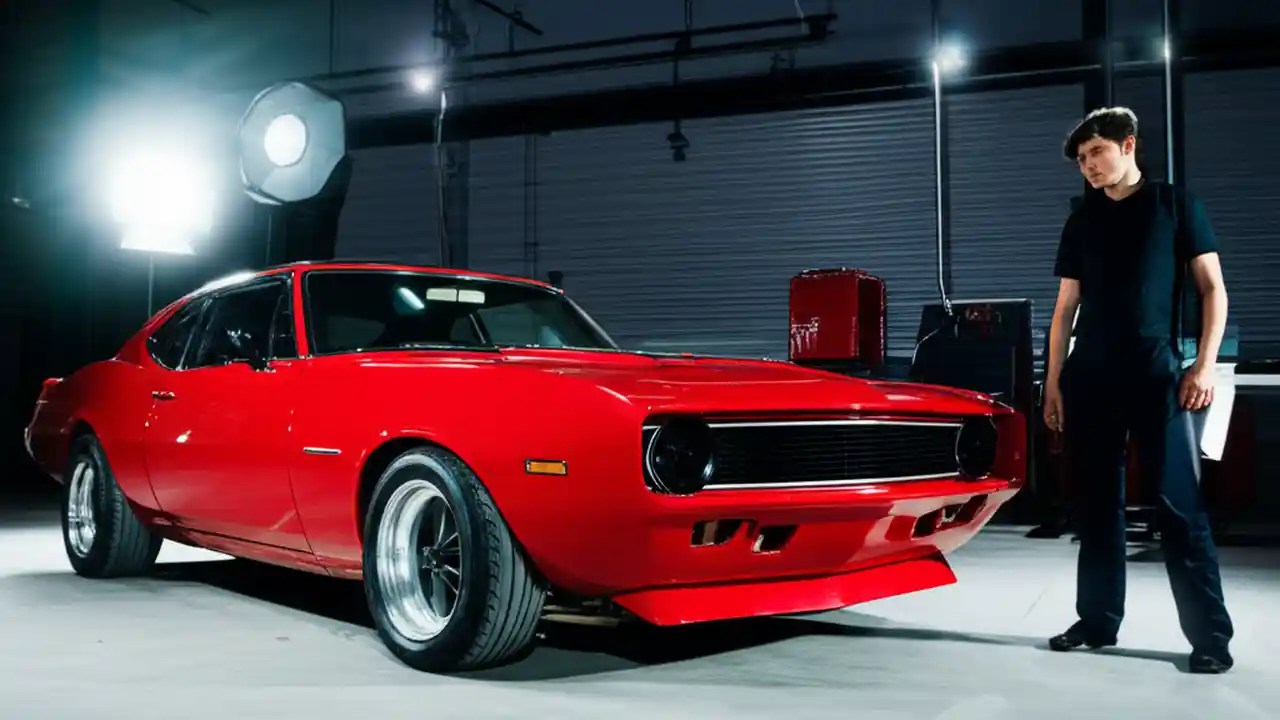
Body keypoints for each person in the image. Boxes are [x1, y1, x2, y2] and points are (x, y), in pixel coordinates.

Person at [1042, 106, 1235, 674]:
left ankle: (1210, 638)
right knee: (1097, 506)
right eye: (1082, 159)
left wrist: (1204, 366)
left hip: (1156, 373)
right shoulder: (1081, 220)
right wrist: (1052, 383)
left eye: (1096, 152)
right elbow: (1064, 310)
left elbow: (1213, 289)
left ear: (1128, 144)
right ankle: (1097, 621)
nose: (1089, 166)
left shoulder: (1175, 205)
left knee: (1179, 507)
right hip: (1090, 375)